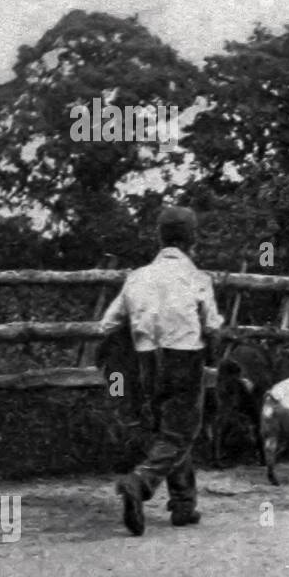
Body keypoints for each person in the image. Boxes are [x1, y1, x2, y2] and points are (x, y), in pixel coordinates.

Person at [99, 206, 223, 534]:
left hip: (146, 361)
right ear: (192, 239)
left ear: (160, 238)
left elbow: (107, 324)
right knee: (181, 433)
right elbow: (212, 326)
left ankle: (183, 505)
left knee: (168, 432)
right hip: (185, 358)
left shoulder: (137, 277)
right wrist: (214, 355)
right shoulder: (197, 278)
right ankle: (140, 482)